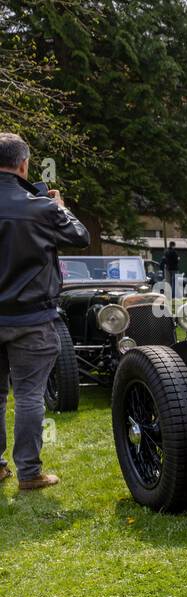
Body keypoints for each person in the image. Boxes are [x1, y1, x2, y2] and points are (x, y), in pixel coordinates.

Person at [0, 132, 90, 491]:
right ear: (24, 165)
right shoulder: (43, 208)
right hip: (33, 318)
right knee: (29, 396)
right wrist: (61, 205)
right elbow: (81, 236)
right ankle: (29, 472)